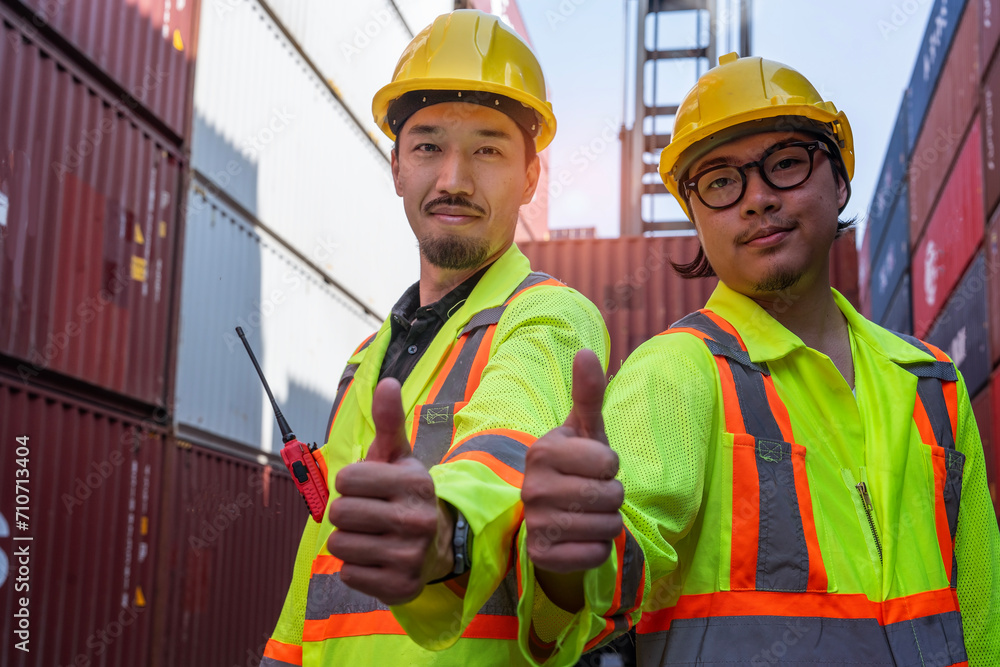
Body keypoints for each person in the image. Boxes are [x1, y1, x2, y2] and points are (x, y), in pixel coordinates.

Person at [519, 53, 1000, 666]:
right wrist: (566, 559)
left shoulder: (933, 384)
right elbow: (603, 569)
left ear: (840, 179)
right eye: (721, 181)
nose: (758, 199)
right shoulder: (676, 370)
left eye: (786, 163)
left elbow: (982, 617)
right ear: (696, 217)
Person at [260, 10, 613, 667]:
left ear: (530, 177)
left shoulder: (550, 318)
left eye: (488, 149)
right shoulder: (365, 360)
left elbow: (506, 439)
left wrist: (447, 531)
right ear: (396, 168)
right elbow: (318, 563)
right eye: (427, 147)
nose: (454, 178)